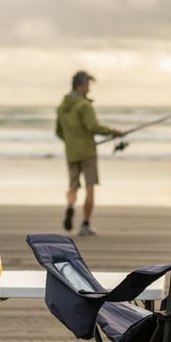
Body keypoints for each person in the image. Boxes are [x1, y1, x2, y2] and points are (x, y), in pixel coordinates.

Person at [55, 70, 123, 236]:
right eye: (87, 86)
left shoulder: (62, 107)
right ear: (81, 86)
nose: (89, 90)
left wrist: (72, 142)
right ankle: (85, 224)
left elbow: (58, 131)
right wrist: (113, 132)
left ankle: (71, 205)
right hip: (87, 151)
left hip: (71, 152)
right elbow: (93, 127)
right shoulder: (85, 106)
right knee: (90, 187)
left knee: (73, 186)